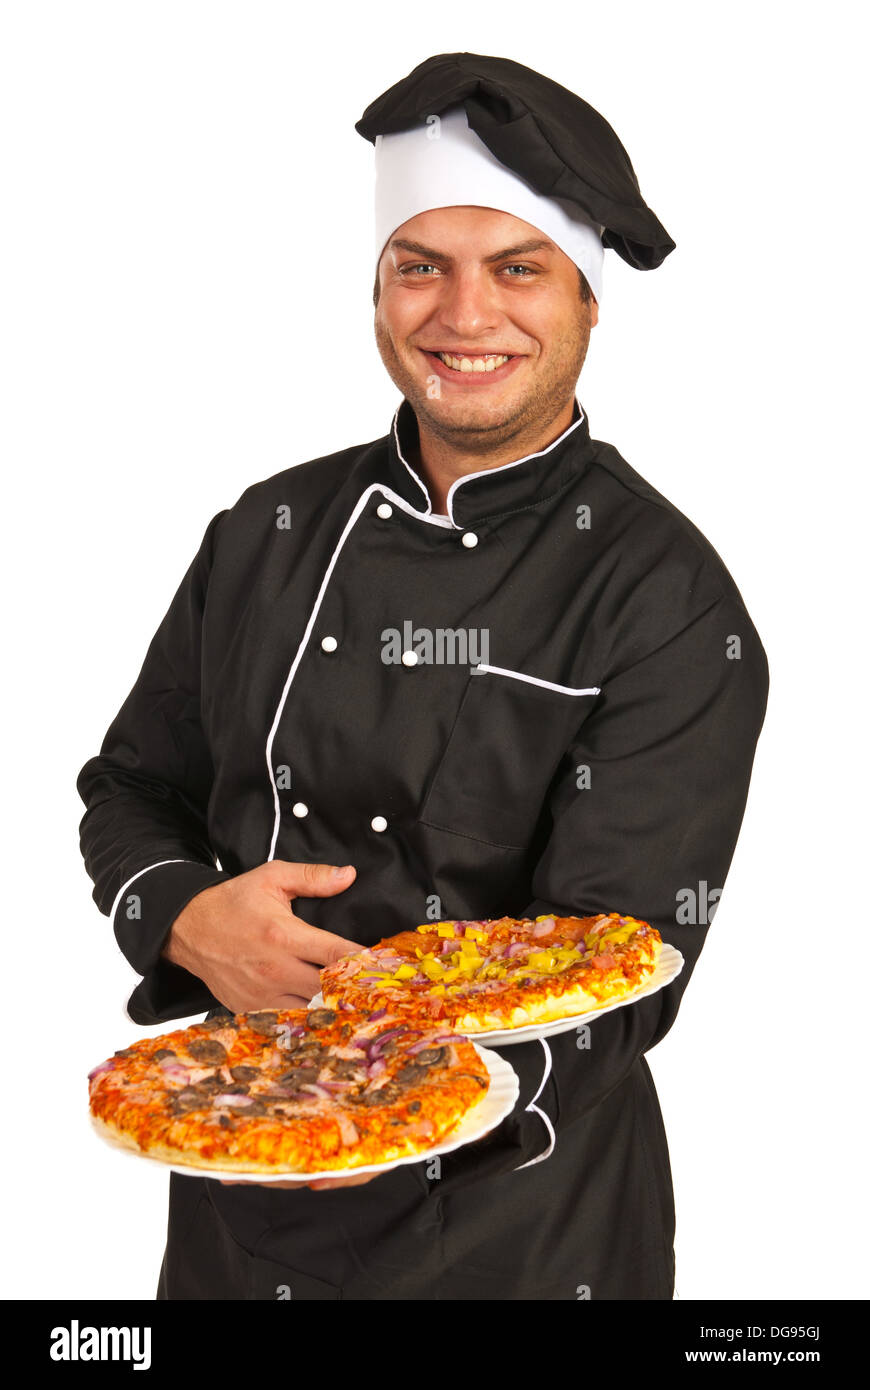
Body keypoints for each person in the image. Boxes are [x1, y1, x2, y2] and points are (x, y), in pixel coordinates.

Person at [76, 52, 769, 1300]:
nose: (464, 317)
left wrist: (389, 1092)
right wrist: (183, 915)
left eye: (517, 268)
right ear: (379, 288)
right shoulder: (266, 529)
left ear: (587, 301)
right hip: (240, 1184)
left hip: (524, 1226)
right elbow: (129, 787)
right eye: (419, 267)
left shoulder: (664, 598)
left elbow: (622, 960)